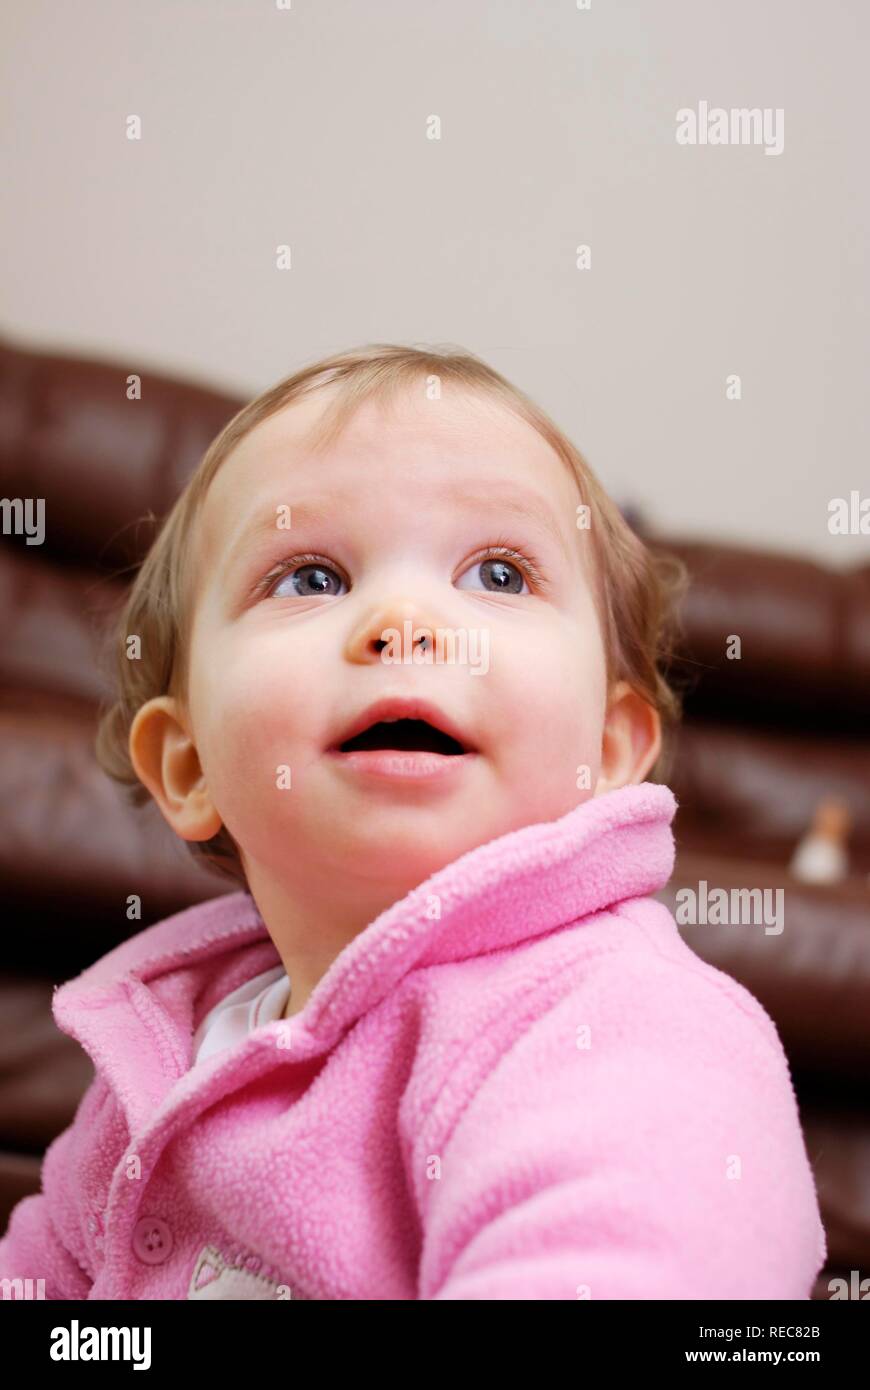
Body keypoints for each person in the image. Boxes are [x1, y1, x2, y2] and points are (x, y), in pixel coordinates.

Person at [0, 344, 826, 1299]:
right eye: (310, 578)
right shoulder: (159, 1054)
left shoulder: (620, 1026)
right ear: (188, 767)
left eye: (500, 575)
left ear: (604, 749)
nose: (404, 621)